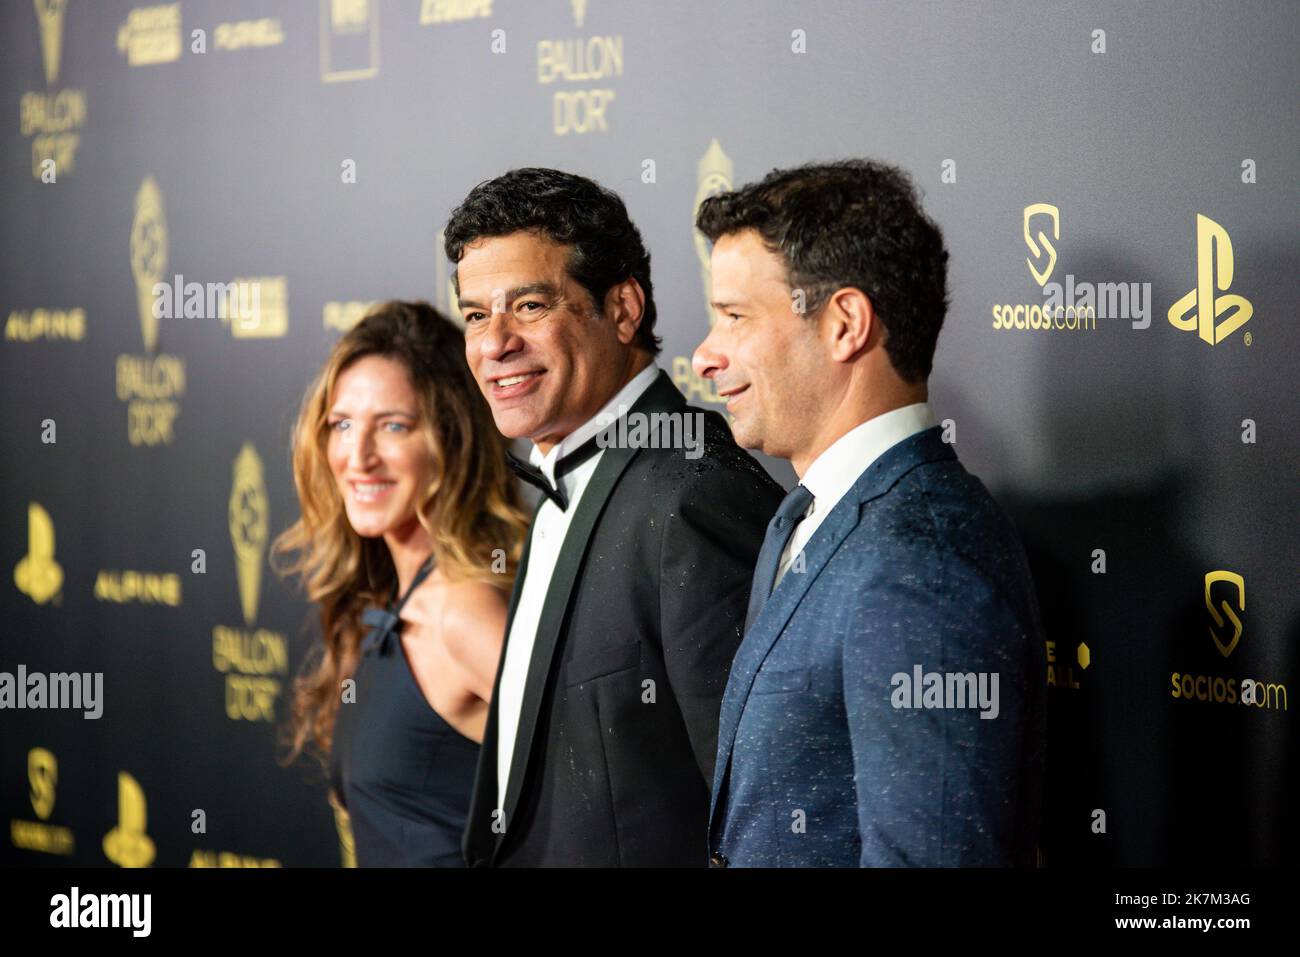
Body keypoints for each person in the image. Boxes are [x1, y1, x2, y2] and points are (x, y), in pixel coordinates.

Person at [693, 160, 1047, 867]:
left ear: (845, 323)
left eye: (735, 317)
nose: (704, 355)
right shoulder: (805, 515)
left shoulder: (923, 562)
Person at [444, 167, 784, 866]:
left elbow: (769, 811)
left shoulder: (693, 494)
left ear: (623, 309)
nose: (494, 342)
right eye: (476, 314)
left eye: (530, 306)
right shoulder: (561, 479)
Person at [274, 300, 529, 866]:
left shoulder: (464, 612)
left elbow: (608, 804)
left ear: (452, 440)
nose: (358, 457)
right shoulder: (384, 599)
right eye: (342, 425)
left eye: (393, 426)